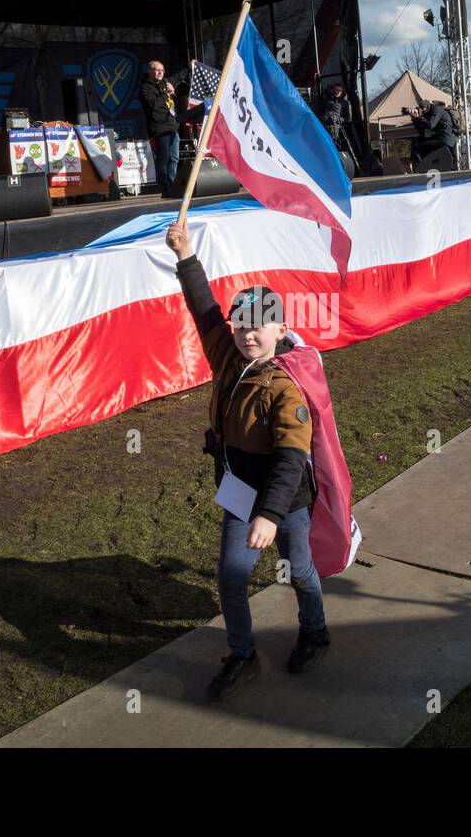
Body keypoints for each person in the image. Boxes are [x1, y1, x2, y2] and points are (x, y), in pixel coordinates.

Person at [163, 218, 333, 700]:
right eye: (242, 326)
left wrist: (270, 515)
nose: (247, 335)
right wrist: (185, 254)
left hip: (285, 499)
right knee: (232, 575)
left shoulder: (286, 384)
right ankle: (242, 655)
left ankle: (316, 631)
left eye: (258, 327)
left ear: (280, 328)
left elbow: (290, 458)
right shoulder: (229, 356)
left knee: (299, 570)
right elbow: (203, 310)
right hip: (239, 491)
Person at [140, 61, 180, 196]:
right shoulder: (146, 88)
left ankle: (173, 185)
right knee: (163, 159)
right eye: (156, 70)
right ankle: (165, 189)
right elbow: (153, 105)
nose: (160, 72)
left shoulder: (166, 82)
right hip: (159, 129)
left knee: (174, 158)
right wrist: (165, 92)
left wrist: (191, 65)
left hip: (172, 126)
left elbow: (179, 77)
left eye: (162, 70)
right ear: (150, 72)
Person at [408, 100, 458, 169]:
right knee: (417, 140)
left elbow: (431, 125)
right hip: (440, 138)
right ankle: (416, 163)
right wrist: (415, 120)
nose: (421, 111)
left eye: (422, 108)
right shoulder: (430, 113)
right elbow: (422, 131)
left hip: (445, 140)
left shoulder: (437, 111)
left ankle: (422, 165)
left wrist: (418, 118)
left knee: (421, 146)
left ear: (428, 106)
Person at [321, 83, 353, 153]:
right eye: (335, 90)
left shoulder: (346, 102)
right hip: (325, 125)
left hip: (336, 128)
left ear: (342, 91)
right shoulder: (327, 101)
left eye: (339, 90)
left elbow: (349, 118)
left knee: (334, 145)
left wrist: (339, 120)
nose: (336, 92)